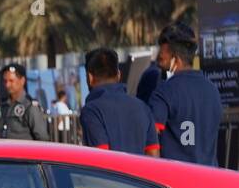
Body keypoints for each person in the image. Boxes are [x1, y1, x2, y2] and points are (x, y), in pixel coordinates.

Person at [149, 22, 222, 165]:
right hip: (211, 179)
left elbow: (151, 141)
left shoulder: (164, 92)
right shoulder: (212, 90)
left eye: (162, 56)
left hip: (176, 182)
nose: (158, 60)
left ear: (175, 57)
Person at [80, 47, 160, 156]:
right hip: (140, 173)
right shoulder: (143, 107)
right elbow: (153, 155)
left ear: (90, 77)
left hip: (110, 173)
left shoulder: (91, 111)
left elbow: (100, 160)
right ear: (118, 75)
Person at [0, 63, 49, 140]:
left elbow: (42, 138)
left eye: (11, 81)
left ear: (22, 81)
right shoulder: (5, 105)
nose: (7, 85)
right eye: (5, 81)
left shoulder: (30, 106)